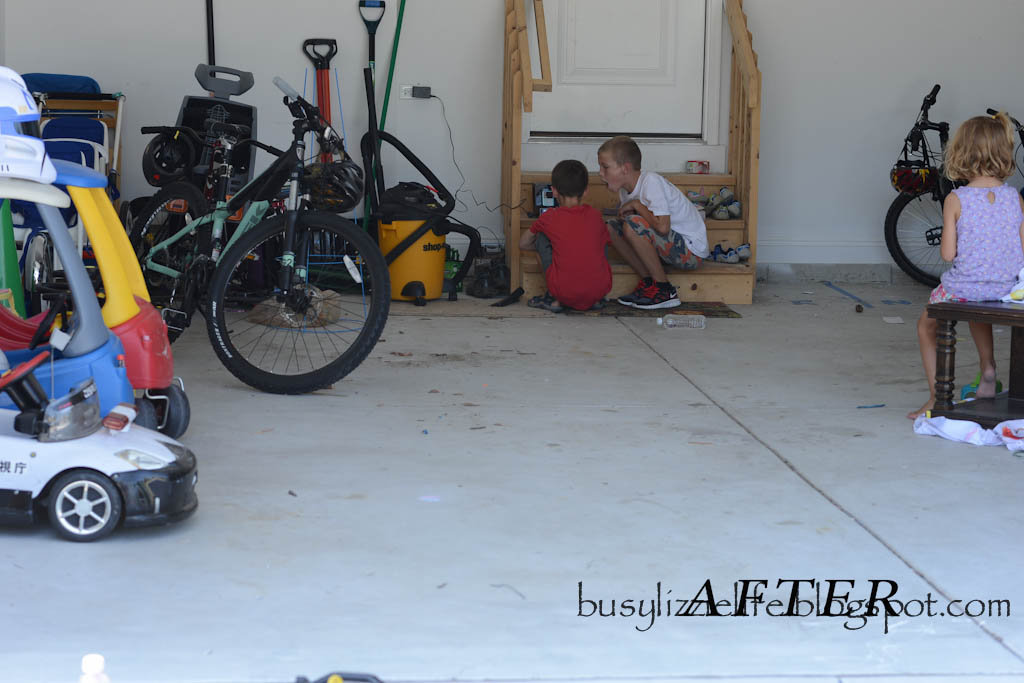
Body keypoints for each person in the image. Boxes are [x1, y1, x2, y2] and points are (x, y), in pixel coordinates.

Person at [908, 113, 1024, 419]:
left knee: (926, 325)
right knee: (979, 297)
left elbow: (948, 255)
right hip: (1007, 287)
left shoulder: (956, 199)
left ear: (962, 153)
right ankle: (988, 369)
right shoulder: (1014, 198)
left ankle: (936, 397)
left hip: (967, 287)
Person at [598, 135, 709, 309]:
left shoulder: (651, 182)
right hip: (669, 248)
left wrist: (637, 205)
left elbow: (663, 227)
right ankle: (649, 284)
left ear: (625, 168)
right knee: (611, 228)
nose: (600, 173)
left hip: (691, 251)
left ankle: (665, 290)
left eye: (605, 167)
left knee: (633, 225)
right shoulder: (624, 192)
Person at [520, 159, 611, 312]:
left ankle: (553, 299)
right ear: (586, 190)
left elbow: (522, 244)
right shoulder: (596, 216)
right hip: (599, 290)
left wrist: (545, 249)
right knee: (601, 236)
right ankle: (594, 300)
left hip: (563, 291)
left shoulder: (549, 217)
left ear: (554, 191)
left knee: (542, 237)